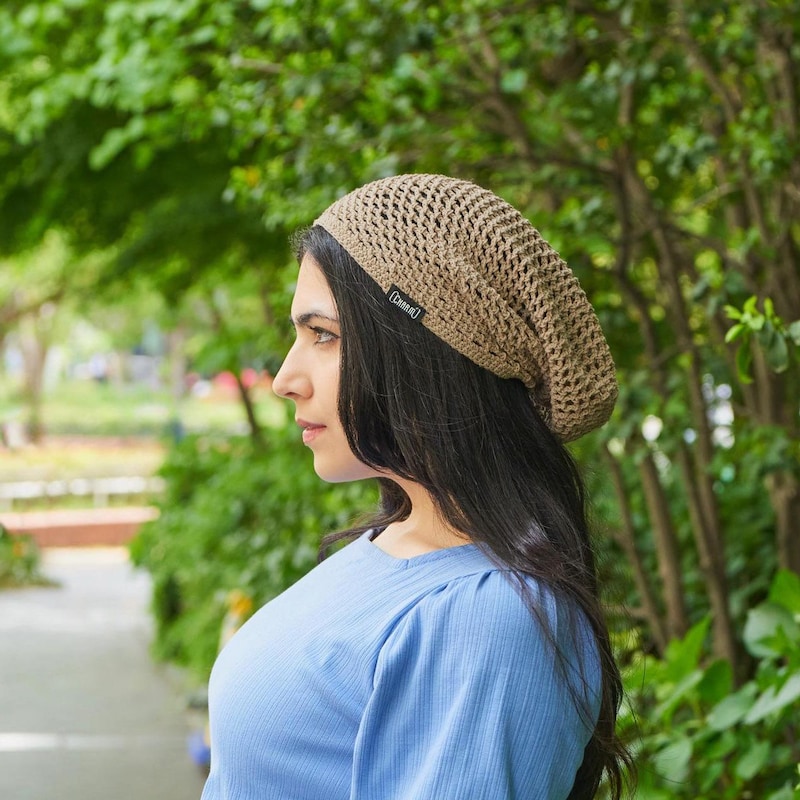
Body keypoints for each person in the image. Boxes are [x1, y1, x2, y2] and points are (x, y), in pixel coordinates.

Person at [200, 174, 632, 800]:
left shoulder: (487, 619)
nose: (284, 378)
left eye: (324, 335)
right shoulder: (393, 545)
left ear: (425, 350)